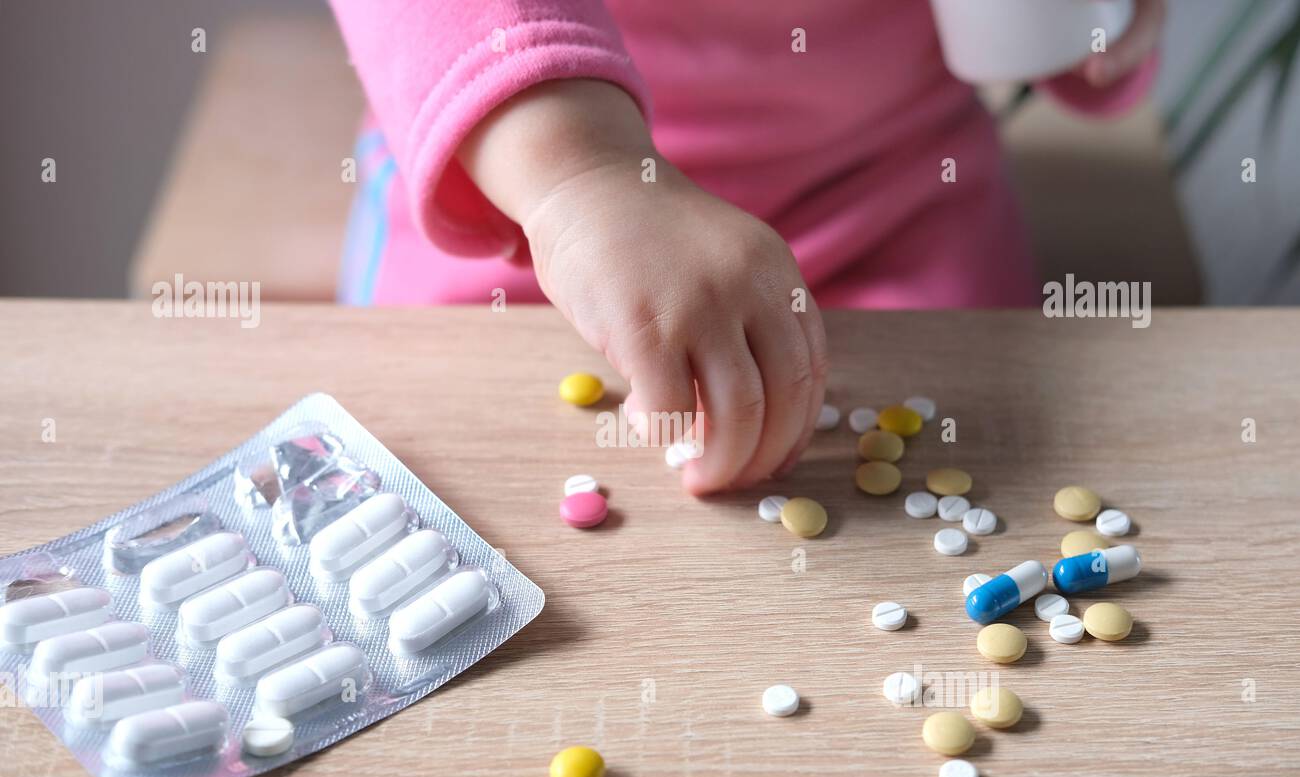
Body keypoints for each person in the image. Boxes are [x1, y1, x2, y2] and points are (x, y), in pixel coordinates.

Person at [330, 0, 1164, 494]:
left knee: (977, 442)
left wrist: (1091, 29)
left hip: (891, 192)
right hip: (523, 198)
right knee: (456, 475)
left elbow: (1052, 40)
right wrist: (581, 175)